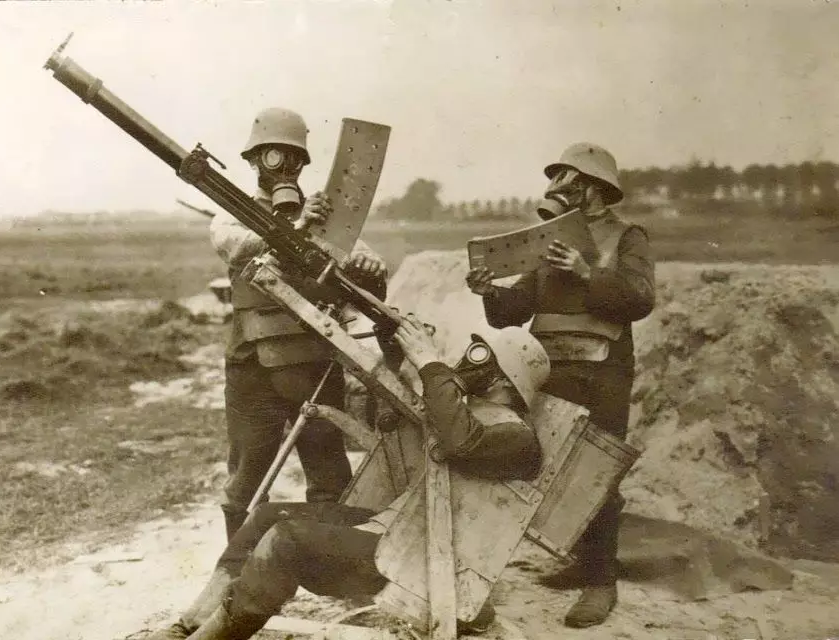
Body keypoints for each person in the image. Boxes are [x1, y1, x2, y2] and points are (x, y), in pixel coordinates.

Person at [146, 316, 549, 640]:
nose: (467, 361)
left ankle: (216, 637)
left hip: (422, 559)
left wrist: (430, 363)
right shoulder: (470, 416)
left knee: (286, 543)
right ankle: (192, 622)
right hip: (403, 536)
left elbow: (461, 442)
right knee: (269, 515)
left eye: (479, 356)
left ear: (503, 377)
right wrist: (394, 351)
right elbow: (401, 415)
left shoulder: (518, 438)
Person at [465, 142, 655, 628]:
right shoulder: (547, 243)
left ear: (594, 189)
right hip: (549, 368)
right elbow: (516, 311)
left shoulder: (626, 236)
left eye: (569, 182)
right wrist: (491, 292)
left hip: (602, 369)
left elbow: (639, 299)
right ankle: (579, 563)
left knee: (597, 473)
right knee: (543, 467)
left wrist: (589, 272)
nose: (558, 190)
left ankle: (599, 582)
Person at [210, 107, 388, 541]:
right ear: (253, 161)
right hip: (252, 364)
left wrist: (369, 266)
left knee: (328, 470)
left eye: (292, 158)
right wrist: (289, 226)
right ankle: (238, 576)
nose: (283, 167)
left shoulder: (325, 215)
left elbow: (372, 276)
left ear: (304, 164)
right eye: (271, 157)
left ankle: (331, 563)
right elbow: (233, 246)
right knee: (249, 472)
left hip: (314, 363)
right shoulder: (233, 213)